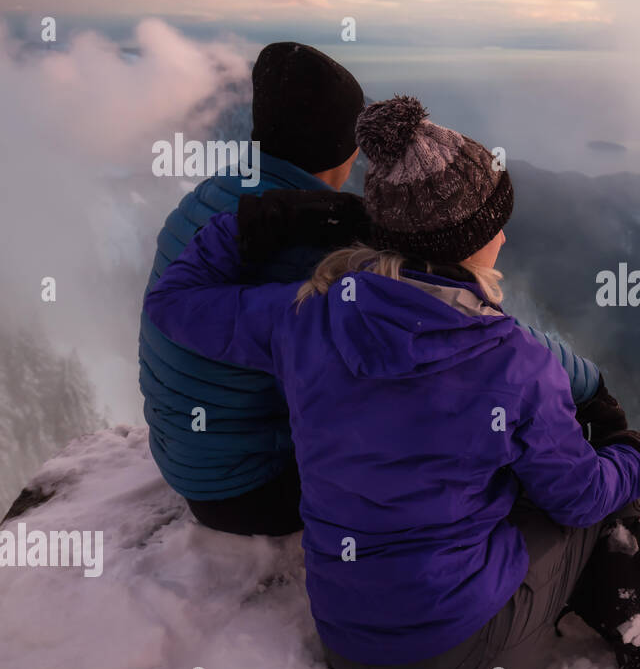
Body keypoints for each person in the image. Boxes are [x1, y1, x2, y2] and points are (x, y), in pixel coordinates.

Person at [144, 95, 640, 669]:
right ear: (465, 242)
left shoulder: (306, 314)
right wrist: (638, 457)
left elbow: (174, 302)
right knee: (611, 498)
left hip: (345, 638)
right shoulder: (512, 362)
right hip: (455, 657)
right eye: (492, 224)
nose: (503, 235)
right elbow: (580, 499)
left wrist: (258, 219)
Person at [139, 44, 598, 537]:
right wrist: (587, 383)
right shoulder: (329, 261)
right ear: (350, 148)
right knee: (491, 454)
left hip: (188, 465)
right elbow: (462, 333)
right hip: (258, 488)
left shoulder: (209, 201)